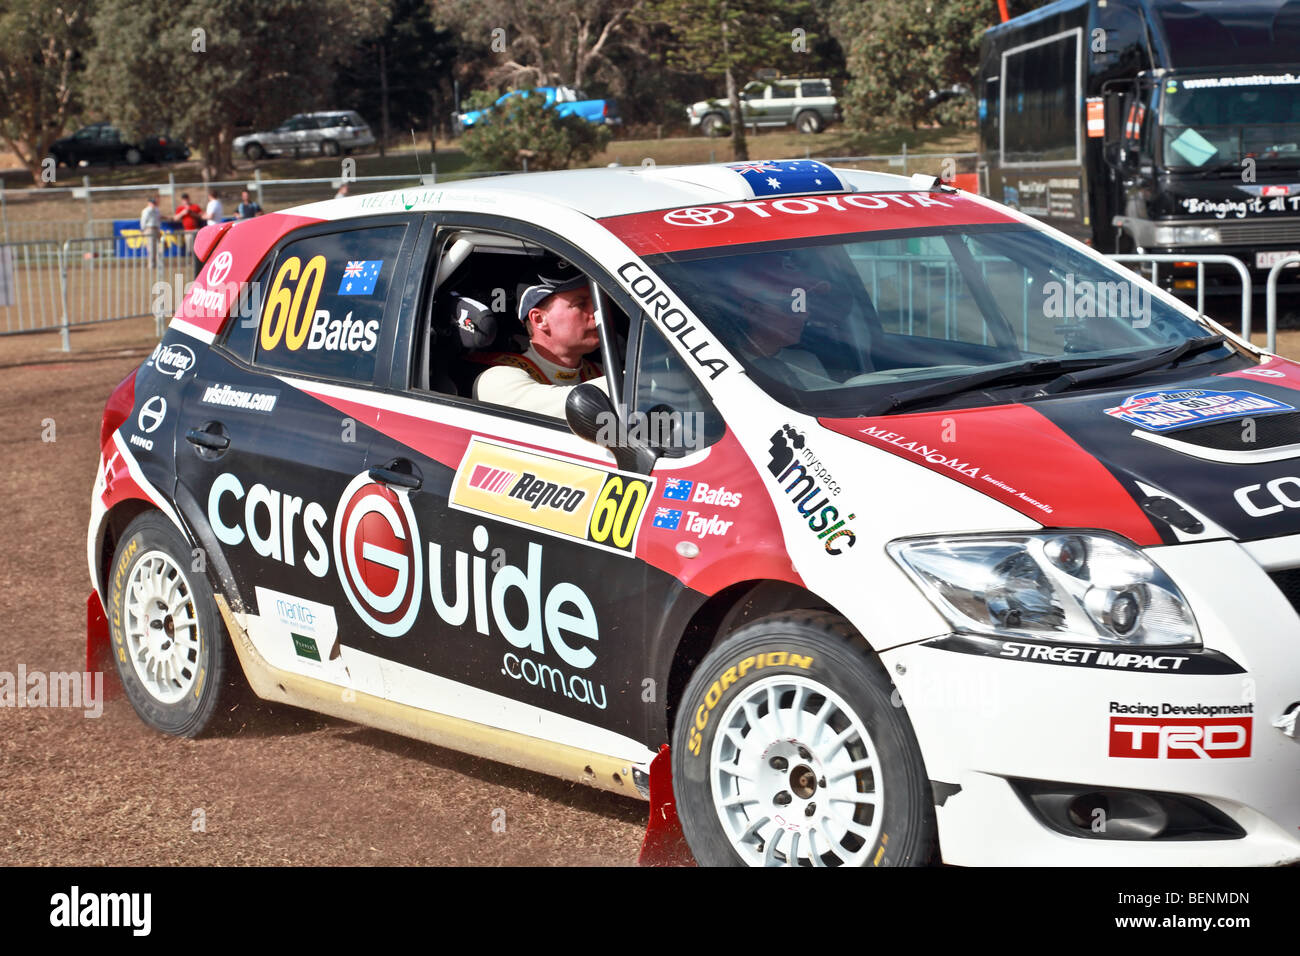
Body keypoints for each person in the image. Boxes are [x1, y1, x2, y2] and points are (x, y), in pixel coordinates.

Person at [472, 266, 607, 418]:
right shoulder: (496, 379)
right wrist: (635, 381)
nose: (598, 312)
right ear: (539, 319)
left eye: (597, 302)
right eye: (581, 304)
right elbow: (573, 406)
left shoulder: (602, 372)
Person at [172, 192, 202, 259]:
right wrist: (183, 213)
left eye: (186, 199)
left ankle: (197, 262)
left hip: (195, 230)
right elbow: (175, 218)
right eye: (184, 199)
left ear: (189, 199)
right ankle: (191, 262)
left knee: (196, 248)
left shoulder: (195, 207)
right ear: (182, 200)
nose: (185, 200)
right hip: (187, 231)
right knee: (189, 248)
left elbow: (201, 216)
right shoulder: (180, 208)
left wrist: (192, 213)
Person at [138, 195, 161, 269]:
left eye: (154, 202)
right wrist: (143, 229)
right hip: (149, 229)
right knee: (151, 248)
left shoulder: (157, 210)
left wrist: (159, 229)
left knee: (158, 247)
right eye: (151, 202)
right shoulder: (146, 210)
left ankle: (158, 264)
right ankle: (151, 265)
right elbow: (143, 221)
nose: (153, 204)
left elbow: (157, 220)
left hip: (156, 229)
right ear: (148, 203)